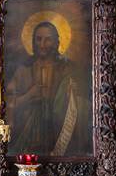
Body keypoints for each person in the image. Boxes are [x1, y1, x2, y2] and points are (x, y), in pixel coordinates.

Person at [6, 19, 91, 156]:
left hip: (59, 135)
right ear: (33, 42)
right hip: (26, 139)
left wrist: (71, 96)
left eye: (48, 40)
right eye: (38, 39)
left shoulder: (68, 69)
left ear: (57, 42)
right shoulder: (23, 70)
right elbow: (7, 104)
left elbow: (85, 104)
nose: (42, 45)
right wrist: (28, 96)